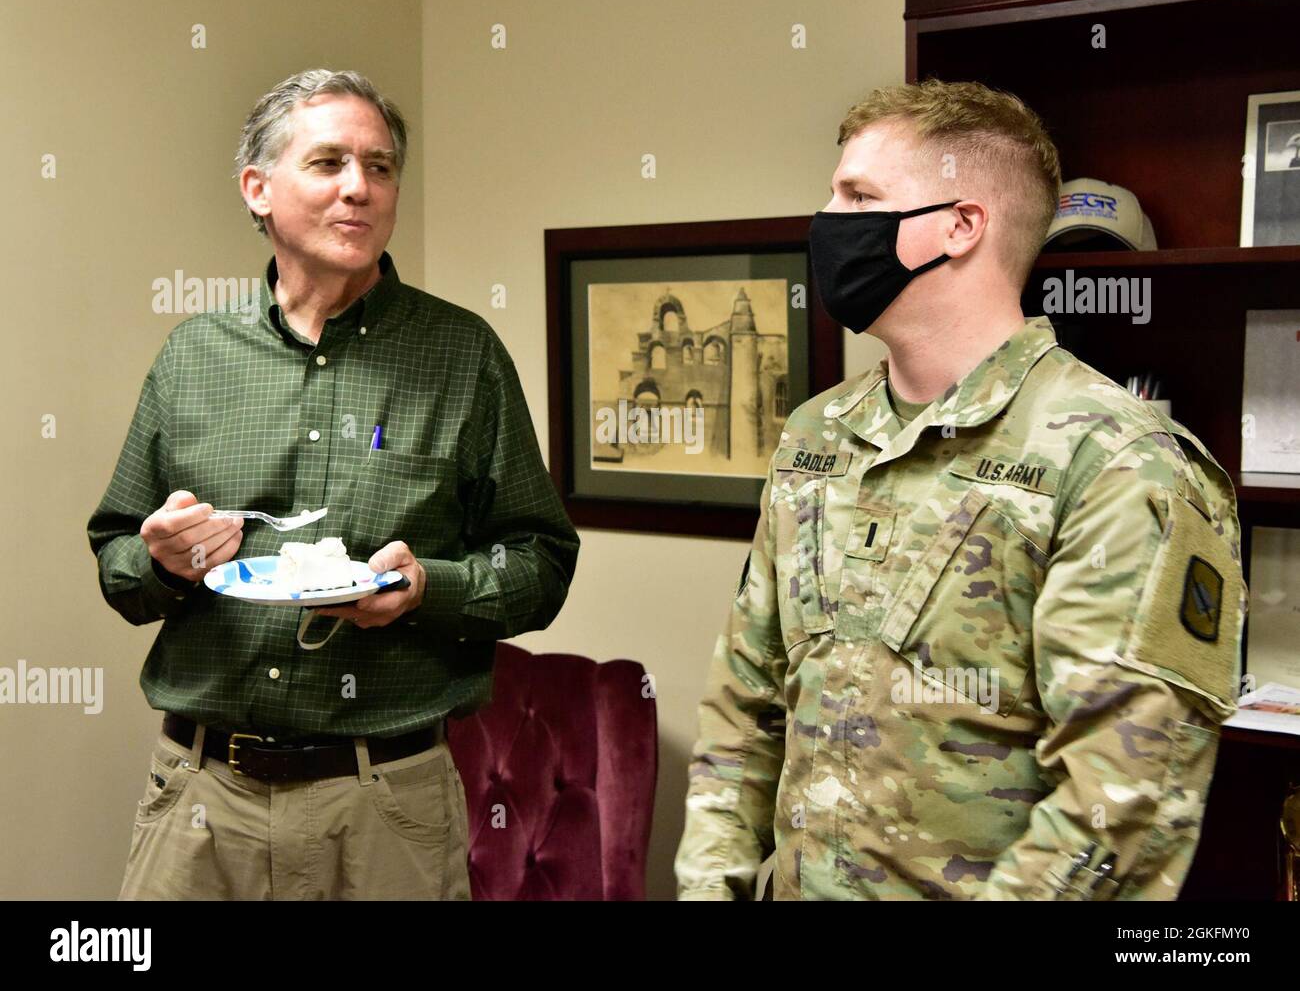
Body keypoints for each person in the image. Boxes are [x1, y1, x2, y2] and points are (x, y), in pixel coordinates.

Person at [674, 79, 1245, 900]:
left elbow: (1123, 806)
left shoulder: (1120, 459)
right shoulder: (815, 436)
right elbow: (745, 706)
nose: (826, 220)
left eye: (858, 195)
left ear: (961, 225)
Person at [87, 69, 580, 900]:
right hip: (202, 799)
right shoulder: (191, 358)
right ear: (258, 189)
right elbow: (117, 561)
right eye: (329, 163)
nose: (360, 188)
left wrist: (432, 587)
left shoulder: (464, 356)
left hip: (386, 805)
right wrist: (162, 561)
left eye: (380, 168)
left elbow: (544, 561)